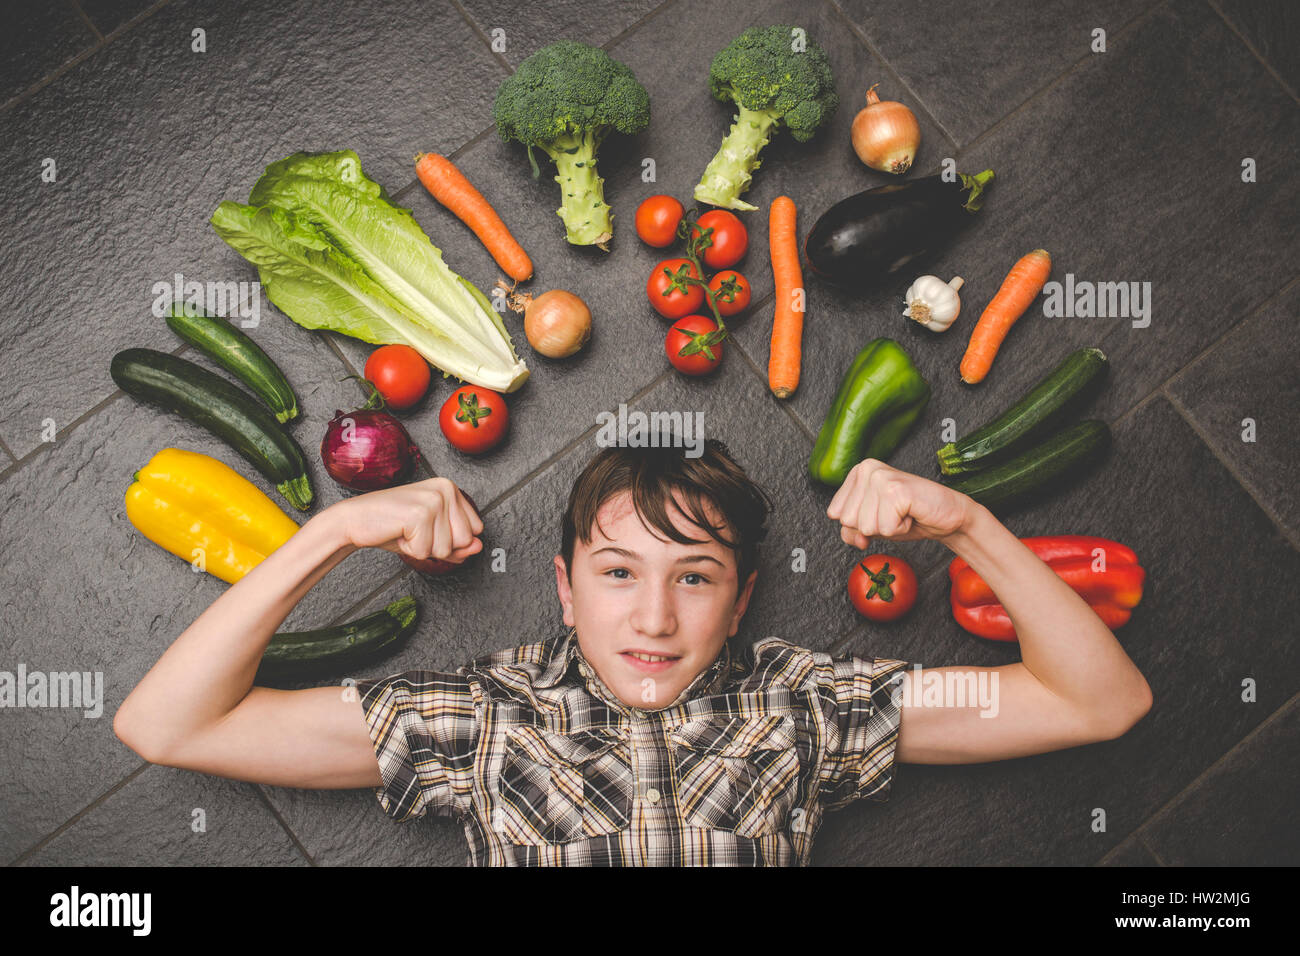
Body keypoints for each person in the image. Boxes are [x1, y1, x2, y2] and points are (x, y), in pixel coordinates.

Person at [114, 438, 1152, 865]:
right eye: (617, 572)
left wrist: (965, 521)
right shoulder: (485, 713)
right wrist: (334, 533)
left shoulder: (803, 702)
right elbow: (166, 723)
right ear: (565, 590)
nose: (653, 616)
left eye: (692, 575)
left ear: (739, 598)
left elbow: (1096, 703)